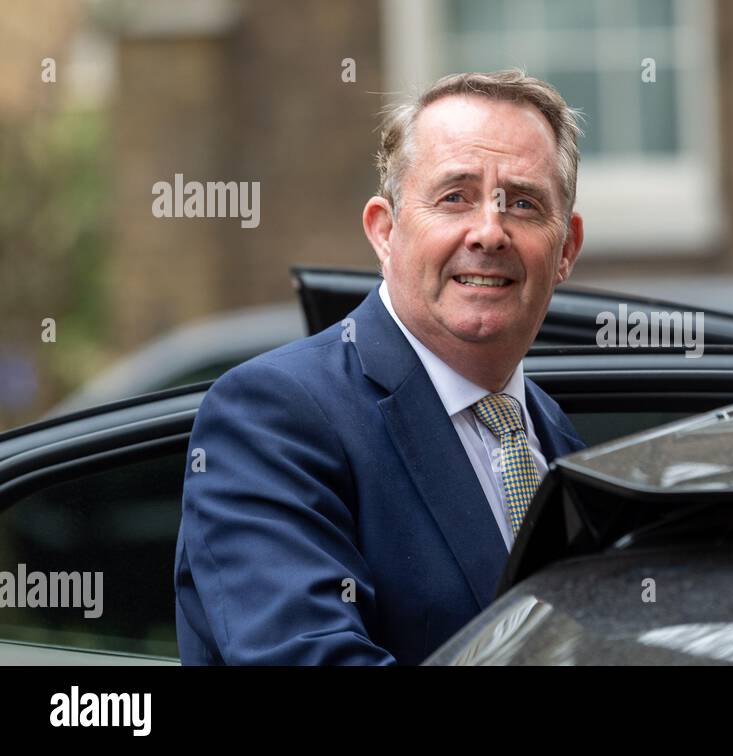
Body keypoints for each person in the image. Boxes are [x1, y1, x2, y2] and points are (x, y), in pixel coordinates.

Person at [174, 70, 587, 665]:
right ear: (385, 231)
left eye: (523, 203)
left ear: (566, 248)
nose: (490, 232)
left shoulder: (552, 435)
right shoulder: (274, 416)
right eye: (454, 197)